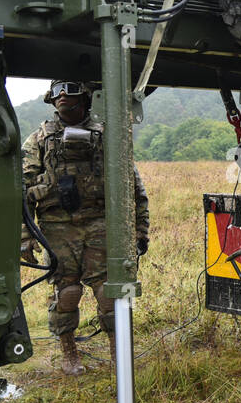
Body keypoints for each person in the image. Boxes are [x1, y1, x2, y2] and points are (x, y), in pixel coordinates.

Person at [22, 80, 150, 375]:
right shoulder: (39, 140)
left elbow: (133, 186)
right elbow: (22, 191)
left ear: (86, 96)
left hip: (101, 224)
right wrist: (25, 237)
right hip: (56, 227)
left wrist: (140, 229)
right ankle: (69, 355)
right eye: (56, 91)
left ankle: (118, 354)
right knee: (66, 293)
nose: (62, 95)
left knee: (109, 292)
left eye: (69, 88)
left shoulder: (109, 134)